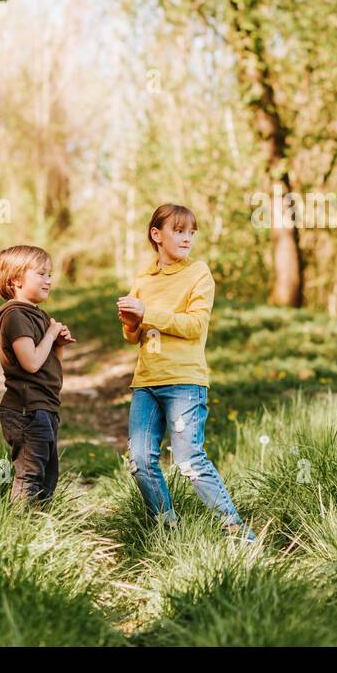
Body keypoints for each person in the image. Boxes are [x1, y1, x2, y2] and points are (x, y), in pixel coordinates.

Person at [117, 204, 256, 541]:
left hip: (184, 381)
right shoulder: (143, 278)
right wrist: (133, 320)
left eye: (191, 232)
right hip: (146, 382)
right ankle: (168, 528)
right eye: (179, 231)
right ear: (157, 234)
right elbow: (132, 335)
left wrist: (148, 312)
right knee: (139, 459)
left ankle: (236, 530)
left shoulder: (198, 273)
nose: (187, 238)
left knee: (189, 458)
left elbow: (194, 326)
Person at [0, 245, 75, 503]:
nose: (49, 279)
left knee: (47, 476)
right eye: (41, 273)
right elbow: (31, 364)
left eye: (50, 274)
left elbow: (50, 371)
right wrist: (50, 334)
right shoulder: (14, 316)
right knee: (30, 475)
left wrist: (57, 344)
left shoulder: (38, 315)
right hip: (25, 411)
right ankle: (18, 532)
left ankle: (38, 530)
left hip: (44, 407)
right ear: (16, 280)